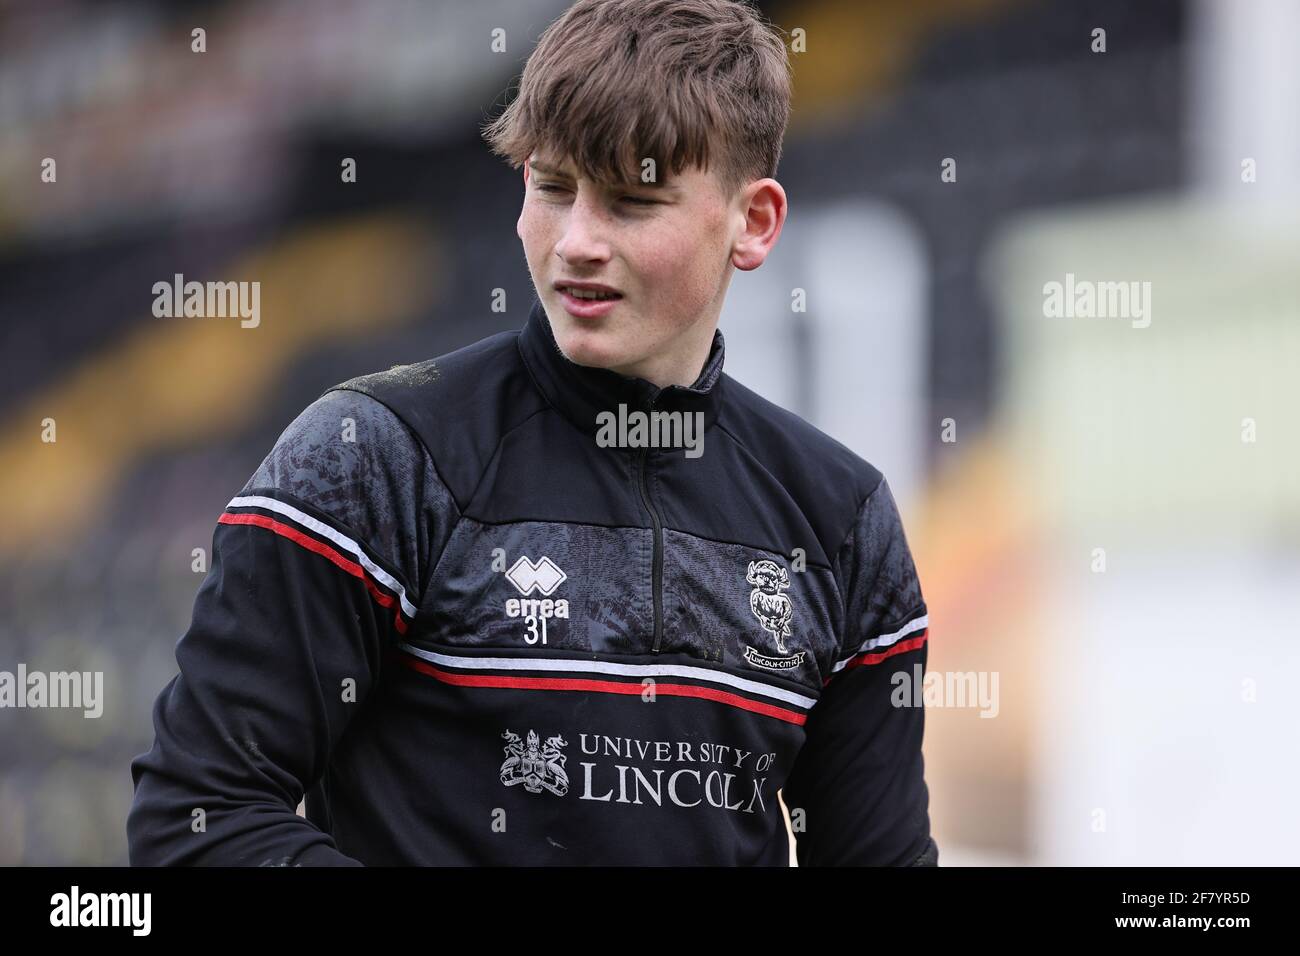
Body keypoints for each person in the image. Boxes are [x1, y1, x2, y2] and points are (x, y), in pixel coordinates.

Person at [127, 0, 937, 866]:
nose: (576, 242)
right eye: (552, 188)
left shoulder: (842, 520)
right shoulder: (372, 458)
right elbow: (198, 817)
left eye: (632, 200)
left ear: (754, 222)